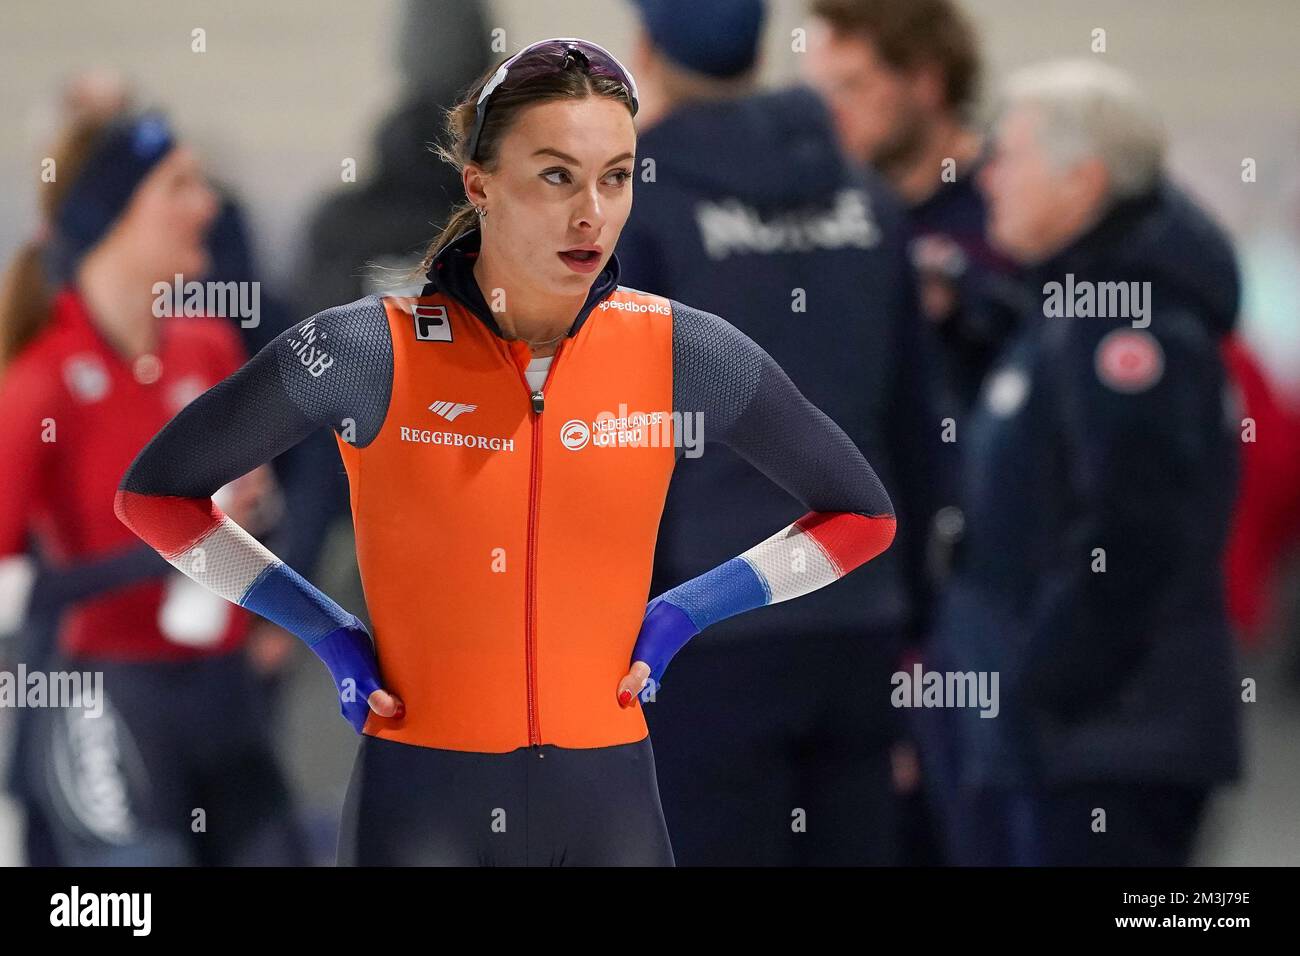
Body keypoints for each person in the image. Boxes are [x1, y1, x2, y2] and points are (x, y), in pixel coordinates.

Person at [115, 38, 898, 866]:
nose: (590, 211)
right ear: (479, 184)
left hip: (610, 808)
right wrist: (328, 631)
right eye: (557, 175)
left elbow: (862, 518)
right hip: (420, 812)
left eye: (617, 176)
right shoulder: (367, 351)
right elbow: (157, 498)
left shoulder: (682, 351)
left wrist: (685, 612)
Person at [616, 0, 937, 865]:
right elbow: (918, 426)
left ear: (645, 50)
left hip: (709, 620)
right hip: (860, 613)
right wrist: (917, 615)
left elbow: (625, 438)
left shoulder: (639, 211)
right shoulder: (869, 202)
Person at [938, 59, 1243, 865]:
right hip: (1079, 736)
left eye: (1008, 156)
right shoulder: (1066, 310)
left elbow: (1136, 529)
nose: (987, 176)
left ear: (1082, 181)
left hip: (1117, 739)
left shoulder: (1127, 325)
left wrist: (1042, 680)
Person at [0, 108, 308, 864]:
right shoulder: (42, 380)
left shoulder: (206, 344)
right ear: (116, 217)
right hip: (109, 695)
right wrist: (170, 553)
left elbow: (259, 512)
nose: (208, 205)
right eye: (180, 185)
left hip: (222, 693)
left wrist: (261, 563)